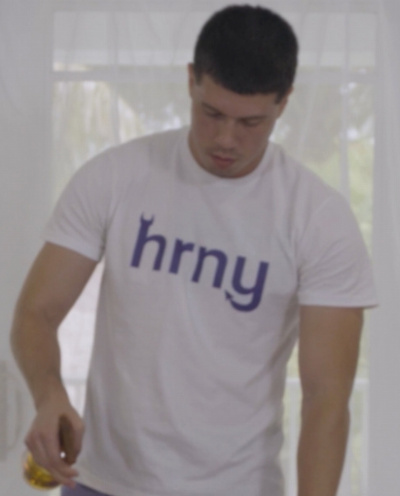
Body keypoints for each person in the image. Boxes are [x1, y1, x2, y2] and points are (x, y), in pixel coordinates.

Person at [10, 5, 377, 496]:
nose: (226, 139)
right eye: (212, 113)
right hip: (102, 482)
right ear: (190, 81)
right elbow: (36, 313)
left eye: (250, 122)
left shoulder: (319, 218)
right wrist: (49, 394)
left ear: (284, 102)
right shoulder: (115, 176)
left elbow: (326, 398)